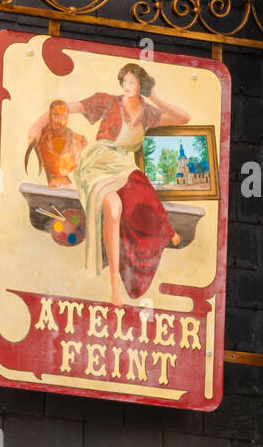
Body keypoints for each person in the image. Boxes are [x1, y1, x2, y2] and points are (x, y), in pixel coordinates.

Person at [62, 63, 190, 305]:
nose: (127, 86)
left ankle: (162, 234)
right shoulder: (108, 101)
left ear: (141, 85)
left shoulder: (149, 113)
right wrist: (47, 116)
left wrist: (156, 98)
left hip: (121, 165)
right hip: (97, 163)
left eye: (132, 82)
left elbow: (184, 117)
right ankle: (114, 288)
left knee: (135, 197)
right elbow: (68, 107)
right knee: (116, 207)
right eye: (125, 81)